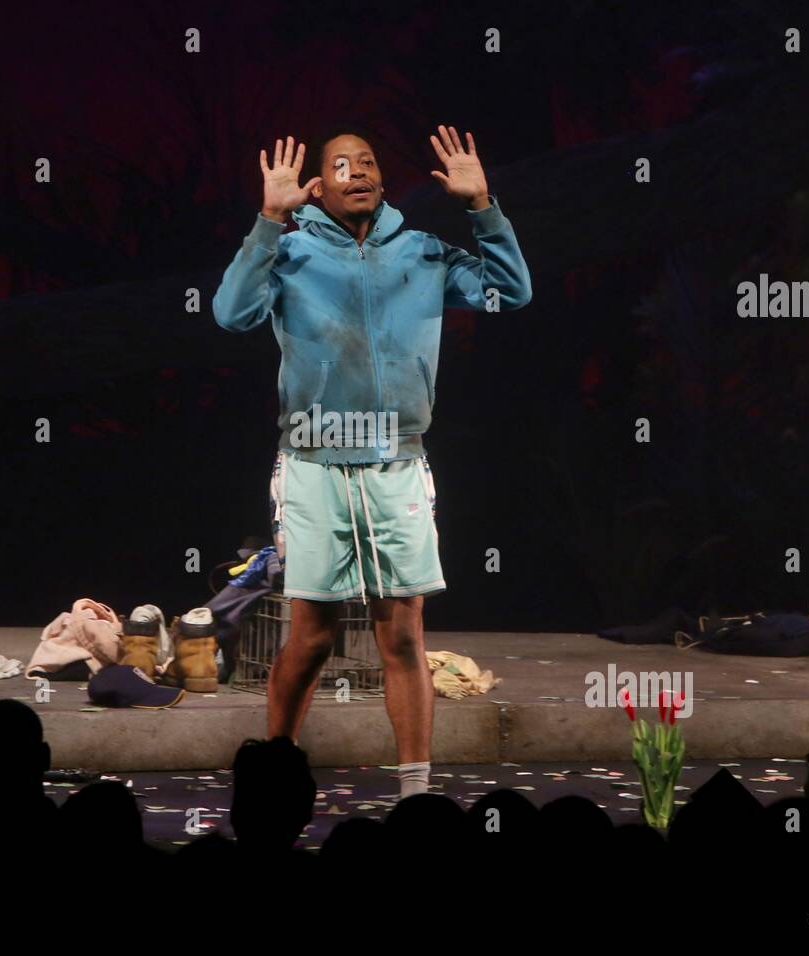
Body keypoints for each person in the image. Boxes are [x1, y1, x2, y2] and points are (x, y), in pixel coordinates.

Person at [213, 124, 531, 796]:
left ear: (383, 181)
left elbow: (512, 291)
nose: (356, 172)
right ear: (318, 186)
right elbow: (231, 313)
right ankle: (275, 776)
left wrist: (483, 206)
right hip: (313, 461)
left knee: (403, 637)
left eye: (368, 163)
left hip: (396, 463)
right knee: (311, 638)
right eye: (340, 165)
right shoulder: (292, 253)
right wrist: (268, 220)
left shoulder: (422, 251)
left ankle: (416, 794)